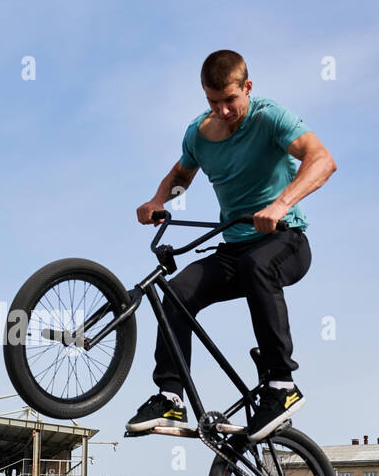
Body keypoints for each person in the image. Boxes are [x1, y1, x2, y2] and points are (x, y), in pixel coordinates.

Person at [125, 49, 336, 441]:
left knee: (258, 266)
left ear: (248, 88)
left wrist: (280, 204)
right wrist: (158, 200)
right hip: (235, 250)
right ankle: (171, 396)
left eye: (230, 101)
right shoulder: (199, 134)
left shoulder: (271, 117)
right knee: (177, 292)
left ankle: (281, 387)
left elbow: (322, 160)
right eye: (213, 102)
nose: (222, 111)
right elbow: (182, 173)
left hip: (284, 240)